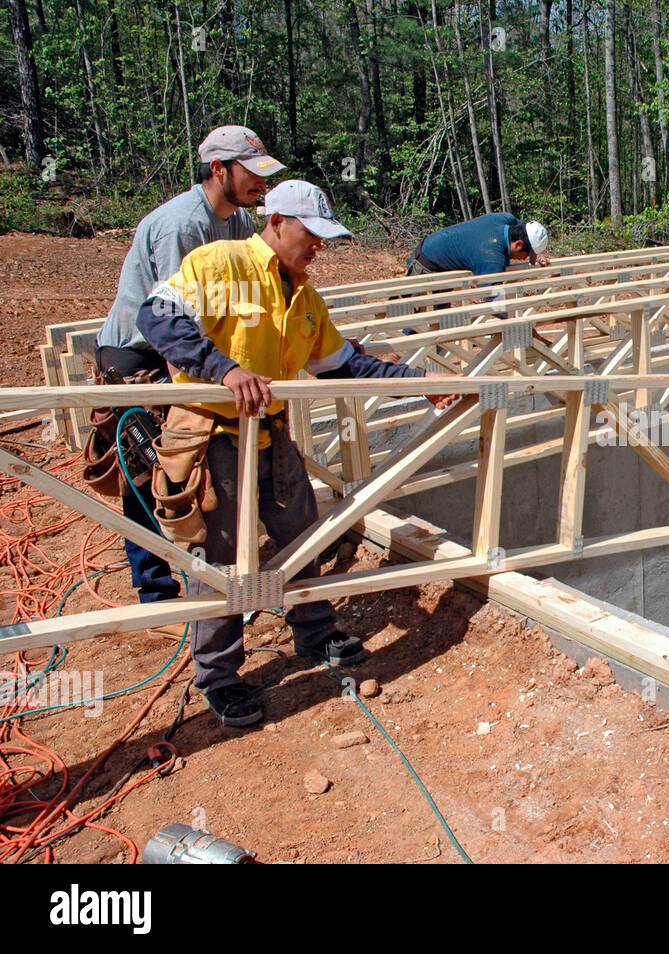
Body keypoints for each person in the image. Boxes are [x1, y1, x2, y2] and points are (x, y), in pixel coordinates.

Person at [137, 180, 457, 728]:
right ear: (278, 220)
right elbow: (157, 317)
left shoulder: (305, 300)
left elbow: (348, 366)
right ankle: (219, 675)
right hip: (213, 436)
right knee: (222, 558)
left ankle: (313, 630)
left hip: (272, 434)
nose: (319, 248)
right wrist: (224, 369)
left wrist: (418, 378)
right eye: (312, 235)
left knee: (303, 533)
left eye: (325, 239)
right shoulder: (223, 264)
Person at [94, 125, 284, 604]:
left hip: (191, 355)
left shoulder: (238, 222)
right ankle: (156, 589)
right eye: (253, 174)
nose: (261, 185)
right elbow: (175, 321)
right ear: (218, 170)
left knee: (193, 467)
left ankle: (212, 576)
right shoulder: (181, 226)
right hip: (139, 355)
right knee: (152, 470)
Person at [406, 212, 550, 276]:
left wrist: (536, 252)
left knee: (444, 319)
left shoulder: (506, 219)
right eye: (526, 254)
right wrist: (521, 326)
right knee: (412, 322)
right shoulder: (492, 257)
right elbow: (493, 301)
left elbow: (525, 230)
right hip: (424, 265)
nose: (524, 259)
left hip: (441, 258)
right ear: (518, 245)